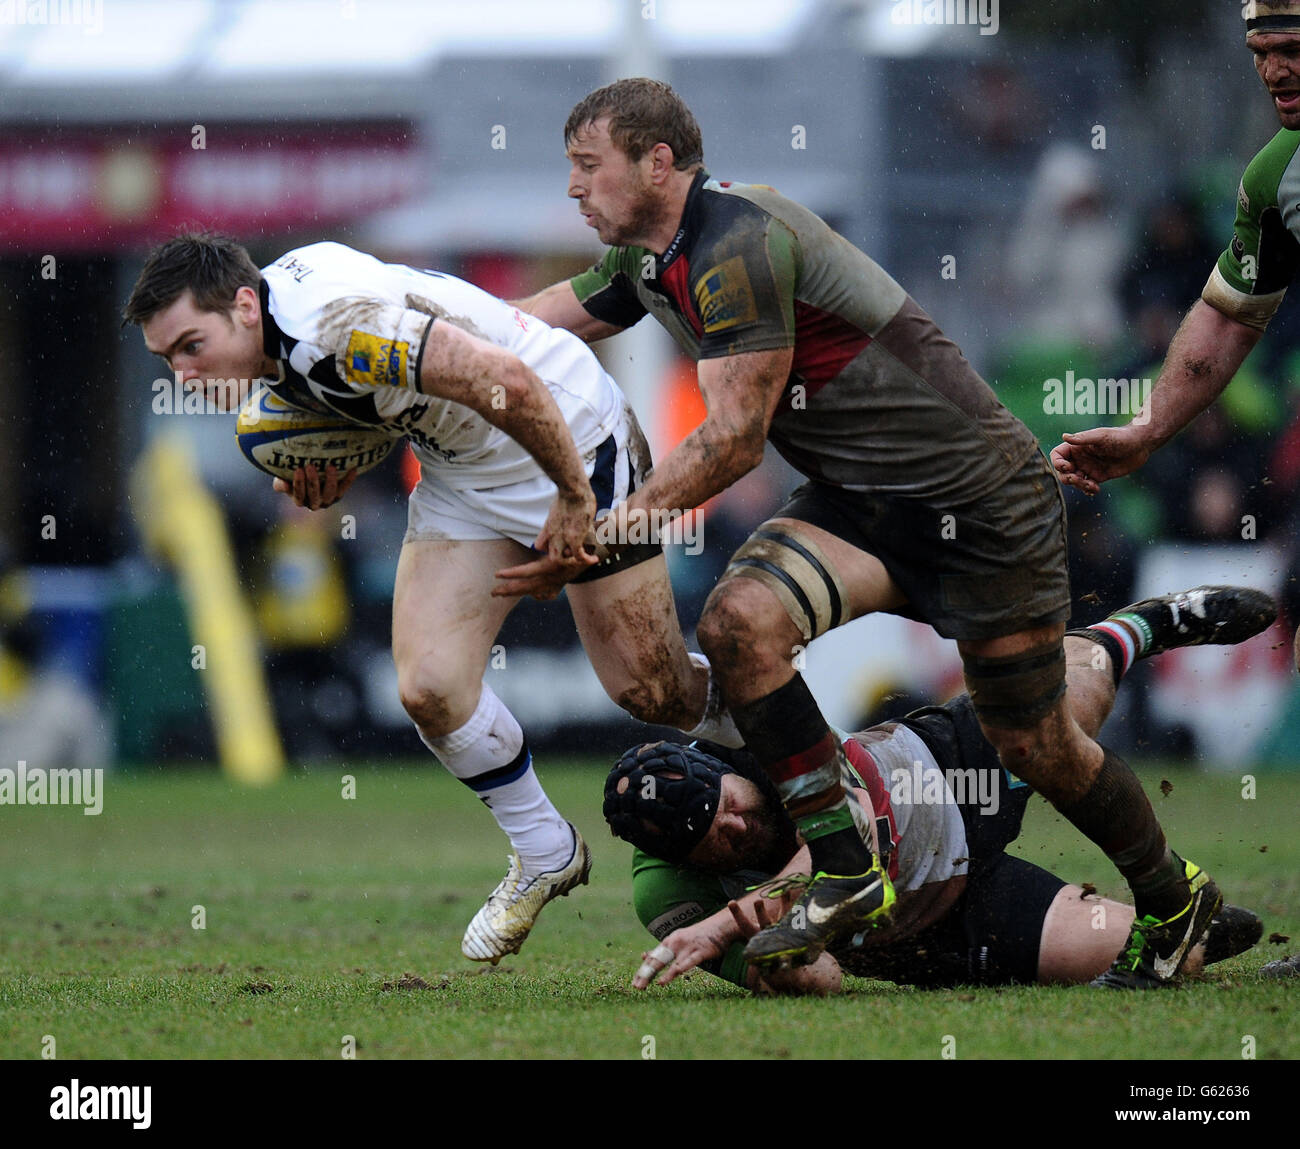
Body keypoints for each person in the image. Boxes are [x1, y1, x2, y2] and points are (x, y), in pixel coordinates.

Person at [504, 77, 1241, 988]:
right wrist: (397, 348)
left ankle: (1172, 895)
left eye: (587, 166)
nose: (573, 187)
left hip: (980, 499)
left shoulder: (736, 242)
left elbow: (734, 439)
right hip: (865, 502)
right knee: (738, 624)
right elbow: (508, 331)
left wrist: (606, 533)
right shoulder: (645, 264)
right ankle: (847, 867)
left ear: (659, 164)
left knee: (1034, 746)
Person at [123, 234, 740, 965]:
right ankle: (546, 849)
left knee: (651, 687)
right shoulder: (276, 340)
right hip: (463, 469)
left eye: (192, 345)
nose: (185, 373)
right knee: (429, 686)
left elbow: (503, 378)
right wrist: (342, 462)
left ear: (247, 305)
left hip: (568, 435)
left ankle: (787, 738)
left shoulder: (335, 328)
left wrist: (574, 495)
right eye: (169, 359)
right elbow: (388, 403)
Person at [606, 588, 1272, 995]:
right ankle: (1219, 936)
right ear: (683, 861)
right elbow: (825, 978)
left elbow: (851, 842)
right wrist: (766, 956)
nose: (738, 828)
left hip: (939, 775)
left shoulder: (751, 733)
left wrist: (731, 918)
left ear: (726, 767)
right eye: (714, 842)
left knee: (1057, 720)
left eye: (731, 805)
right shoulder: (663, 893)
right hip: (927, 926)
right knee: (1175, 964)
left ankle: (1137, 628)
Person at [1052, 6, 1300, 552]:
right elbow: (1229, 316)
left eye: (1292, 52)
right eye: (1261, 54)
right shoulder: (1272, 177)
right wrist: (1145, 431)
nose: (1274, 72)